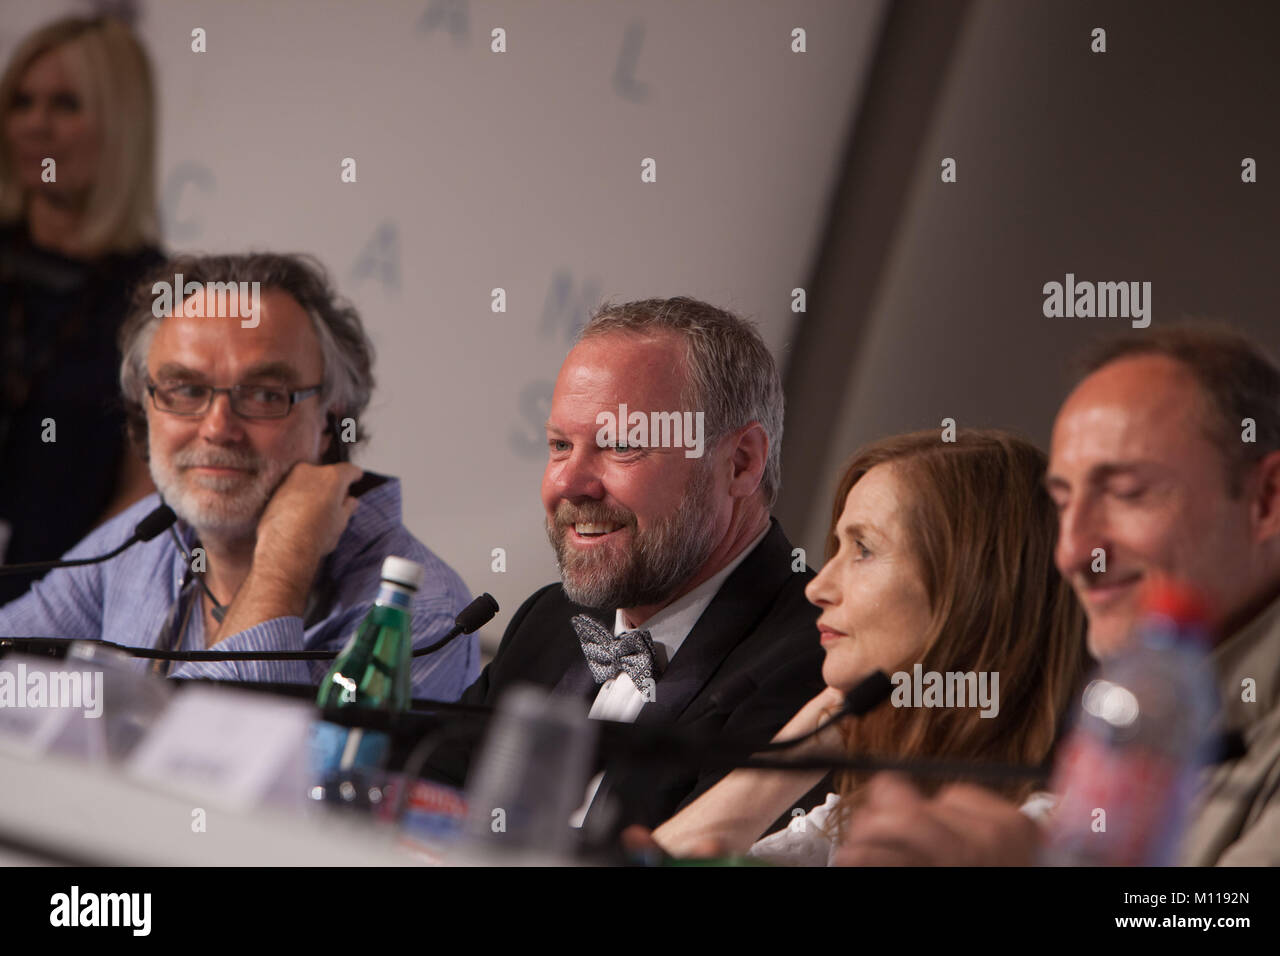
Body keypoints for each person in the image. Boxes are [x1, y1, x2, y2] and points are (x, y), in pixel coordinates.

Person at [837, 323, 1280, 866]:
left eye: (1127, 493)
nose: (1075, 552)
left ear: (1267, 499)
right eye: (1062, 503)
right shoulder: (1139, 695)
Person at [423, 296, 827, 834]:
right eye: (561, 445)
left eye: (621, 446)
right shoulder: (548, 620)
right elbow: (423, 803)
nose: (567, 483)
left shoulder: (818, 660)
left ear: (741, 463)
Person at [0, 253, 478, 701]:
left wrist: (282, 563)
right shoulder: (145, 536)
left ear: (331, 419)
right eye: (185, 389)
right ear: (144, 409)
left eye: (266, 395)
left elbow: (206, 772)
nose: (217, 429)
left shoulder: (424, 617)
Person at [649, 429, 1088, 863]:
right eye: (838, 546)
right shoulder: (840, 821)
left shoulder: (1059, 842)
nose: (817, 587)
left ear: (976, 590)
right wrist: (801, 743)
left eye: (863, 549)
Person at [0, 15, 165, 602]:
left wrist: (60, 601)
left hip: (51, 616)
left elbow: (146, 487)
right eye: (22, 101)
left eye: (66, 105)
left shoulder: (157, 296)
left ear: (121, 124)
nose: (35, 125)